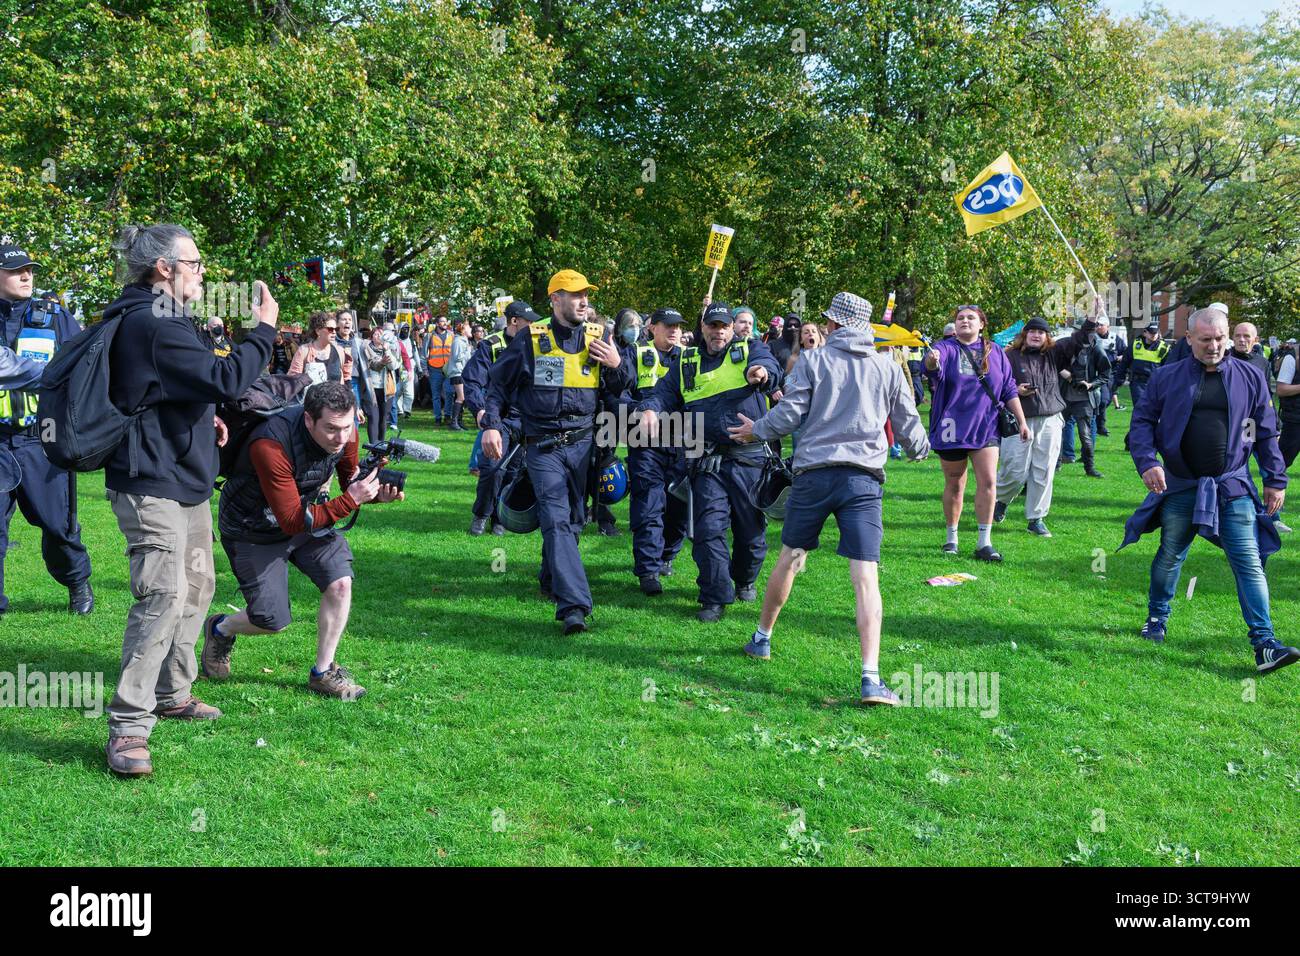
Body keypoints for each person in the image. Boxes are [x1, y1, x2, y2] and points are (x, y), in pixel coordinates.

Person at [101, 223, 278, 777]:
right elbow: (226, 377)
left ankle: (173, 692)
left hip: (186, 479)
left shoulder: (168, 320)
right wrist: (264, 330)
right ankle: (129, 727)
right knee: (162, 593)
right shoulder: (152, 320)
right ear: (164, 270)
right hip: (149, 482)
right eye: (195, 263)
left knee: (197, 586)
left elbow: (182, 389)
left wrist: (205, 423)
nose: (203, 272)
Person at [727, 291, 929, 704]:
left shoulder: (813, 361)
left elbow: (789, 415)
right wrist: (919, 448)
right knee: (865, 576)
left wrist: (757, 429)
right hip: (864, 481)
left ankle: (762, 638)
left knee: (791, 557)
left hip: (815, 476)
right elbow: (909, 424)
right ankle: (871, 678)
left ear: (834, 325)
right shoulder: (887, 366)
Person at [1119, 306, 1297, 673]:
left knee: (1249, 562)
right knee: (1171, 555)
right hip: (1180, 484)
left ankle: (1265, 644)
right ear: (1189, 339)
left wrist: (1275, 479)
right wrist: (1147, 462)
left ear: (1227, 336)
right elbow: (1141, 424)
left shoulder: (1250, 377)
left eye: (1219, 339)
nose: (1214, 346)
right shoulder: (1166, 377)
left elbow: (1265, 432)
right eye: (1205, 340)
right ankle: (1156, 618)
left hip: (1231, 485)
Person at [202, 382, 403, 699]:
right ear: (308, 419)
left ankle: (323, 673)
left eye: (347, 427)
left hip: (306, 515)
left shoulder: (346, 435)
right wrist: (350, 500)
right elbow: (292, 519)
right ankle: (220, 628)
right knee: (272, 620)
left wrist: (377, 495)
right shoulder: (270, 443)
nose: (340, 438)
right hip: (252, 528)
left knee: (340, 583)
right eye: (331, 429)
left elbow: (349, 481)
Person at [480, 269, 629, 634]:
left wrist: (618, 365)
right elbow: (497, 387)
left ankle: (550, 580)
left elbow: (619, 391)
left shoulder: (601, 337)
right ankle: (574, 605)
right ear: (555, 300)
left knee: (574, 522)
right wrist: (491, 426)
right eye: (575, 294)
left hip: (583, 447)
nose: (583, 301)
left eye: (586, 295)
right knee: (556, 519)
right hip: (542, 446)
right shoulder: (531, 338)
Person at [638, 302, 782, 622]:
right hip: (707, 461)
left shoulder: (749, 349)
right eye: (712, 326)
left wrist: (762, 373)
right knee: (707, 529)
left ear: (732, 328)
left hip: (749, 461)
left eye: (724, 326)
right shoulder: (686, 361)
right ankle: (714, 596)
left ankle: (744, 578)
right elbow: (664, 393)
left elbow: (770, 366)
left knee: (750, 533)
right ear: (703, 328)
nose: (718, 332)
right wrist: (650, 409)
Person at [0, 245, 94, 617]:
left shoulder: (55, 317)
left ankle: (77, 583)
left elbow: (83, 365)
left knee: (58, 525)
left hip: (43, 439)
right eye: (15, 269)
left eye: (30, 269)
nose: (26, 276)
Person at [924, 304, 1030, 562]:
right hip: (952, 427)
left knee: (988, 482)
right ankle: (952, 538)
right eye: (960, 318)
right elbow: (931, 366)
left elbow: (1008, 390)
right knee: (955, 484)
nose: (965, 321)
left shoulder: (995, 352)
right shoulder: (945, 347)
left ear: (981, 324)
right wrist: (931, 361)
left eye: (971, 317)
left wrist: (1022, 421)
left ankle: (984, 542)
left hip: (985, 426)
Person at [622, 307, 688, 594]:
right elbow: (617, 393)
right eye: (667, 326)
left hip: (684, 440)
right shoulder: (634, 354)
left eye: (678, 327)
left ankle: (667, 555)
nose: (674, 331)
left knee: (679, 506)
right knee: (649, 503)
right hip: (645, 441)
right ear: (652, 328)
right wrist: (638, 412)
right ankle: (648, 570)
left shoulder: (690, 357)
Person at [464, 300, 537, 535]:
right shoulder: (491, 346)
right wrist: (479, 410)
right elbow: (472, 380)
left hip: (525, 417)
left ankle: (500, 517)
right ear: (514, 321)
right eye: (529, 321)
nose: (533, 325)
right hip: (499, 417)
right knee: (492, 467)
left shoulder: (536, 346)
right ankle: (481, 514)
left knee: (514, 471)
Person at [994, 317, 1065, 536]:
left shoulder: (1053, 356)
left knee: (1043, 470)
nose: (1036, 335)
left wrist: (1092, 321)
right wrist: (1016, 390)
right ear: (1024, 335)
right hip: (1018, 420)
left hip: (1050, 418)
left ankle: (1036, 518)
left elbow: (1079, 341)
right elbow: (997, 386)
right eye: (1032, 331)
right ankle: (1001, 500)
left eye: (1041, 332)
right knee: (1015, 471)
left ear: (1047, 337)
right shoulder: (1009, 357)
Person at [1057, 313, 1111, 478]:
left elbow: (1105, 374)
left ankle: (1089, 468)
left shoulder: (1096, 348)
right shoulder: (1065, 344)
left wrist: (1091, 385)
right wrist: (1065, 373)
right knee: (1056, 432)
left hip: (1084, 398)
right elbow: (1053, 362)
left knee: (1085, 435)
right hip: (1063, 396)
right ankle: (1055, 464)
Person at [1112, 321, 1168, 447]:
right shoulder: (1135, 345)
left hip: (1155, 384)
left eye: (1156, 333)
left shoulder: (1164, 348)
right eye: (1151, 333)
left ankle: (1131, 439)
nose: (1154, 335)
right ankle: (1137, 441)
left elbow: (1169, 370)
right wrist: (1118, 381)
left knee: (1152, 412)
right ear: (1145, 333)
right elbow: (1124, 363)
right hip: (1138, 383)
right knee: (1141, 409)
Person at [289, 311, 352, 389]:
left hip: (337, 400)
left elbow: (347, 377)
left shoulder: (340, 351)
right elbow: (293, 379)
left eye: (336, 329)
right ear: (318, 331)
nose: (334, 332)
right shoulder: (304, 351)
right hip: (311, 400)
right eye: (330, 329)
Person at [363, 324, 400, 443]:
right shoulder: (366, 348)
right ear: (372, 337)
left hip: (386, 390)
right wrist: (382, 362)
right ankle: (373, 445)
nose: (379, 336)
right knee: (373, 417)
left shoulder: (389, 349)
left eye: (381, 334)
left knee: (383, 418)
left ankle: (381, 446)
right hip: (371, 388)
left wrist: (387, 350)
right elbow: (373, 365)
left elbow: (393, 366)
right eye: (376, 334)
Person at [335, 310, 371, 429]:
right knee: (337, 413)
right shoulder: (332, 342)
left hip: (353, 382)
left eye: (349, 320)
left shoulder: (358, 342)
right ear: (337, 323)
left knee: (354, 412)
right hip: (335, 382)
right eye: (344, 319)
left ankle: (351, 444)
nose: (347, 322)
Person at [425, 315, 455, 424]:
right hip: (434, 369)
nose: (445, 323)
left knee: (449, 392)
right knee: (436, 395)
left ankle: (447, 415)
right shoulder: (429, 336)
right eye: (442, 321)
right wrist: (425, 369)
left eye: (445, 321)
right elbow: (424, 354)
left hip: (448, 369)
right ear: (437, 324)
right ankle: (438, 418)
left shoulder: (451, 335)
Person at [445, 320, 473, 430]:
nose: (471, 329)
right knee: (461, 397)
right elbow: (457, 357)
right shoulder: (458, 341)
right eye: (469, 328)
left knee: (461, 397)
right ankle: (454, 422)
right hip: (457, 372)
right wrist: (467, 350)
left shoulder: (464, 341)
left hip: (462, 372)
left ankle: (459, 422)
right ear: (463, 330)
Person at [397, 324, 417, 420]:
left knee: (409, 391)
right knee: (397, 391)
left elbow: (415, 354)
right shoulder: (395, 341)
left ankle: (407, 410)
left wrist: (420, 368)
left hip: (409, 367)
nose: (405, 331)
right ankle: (399, 410)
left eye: (407, 329)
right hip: (397, 367)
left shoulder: (411, 341)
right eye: (403, 329)